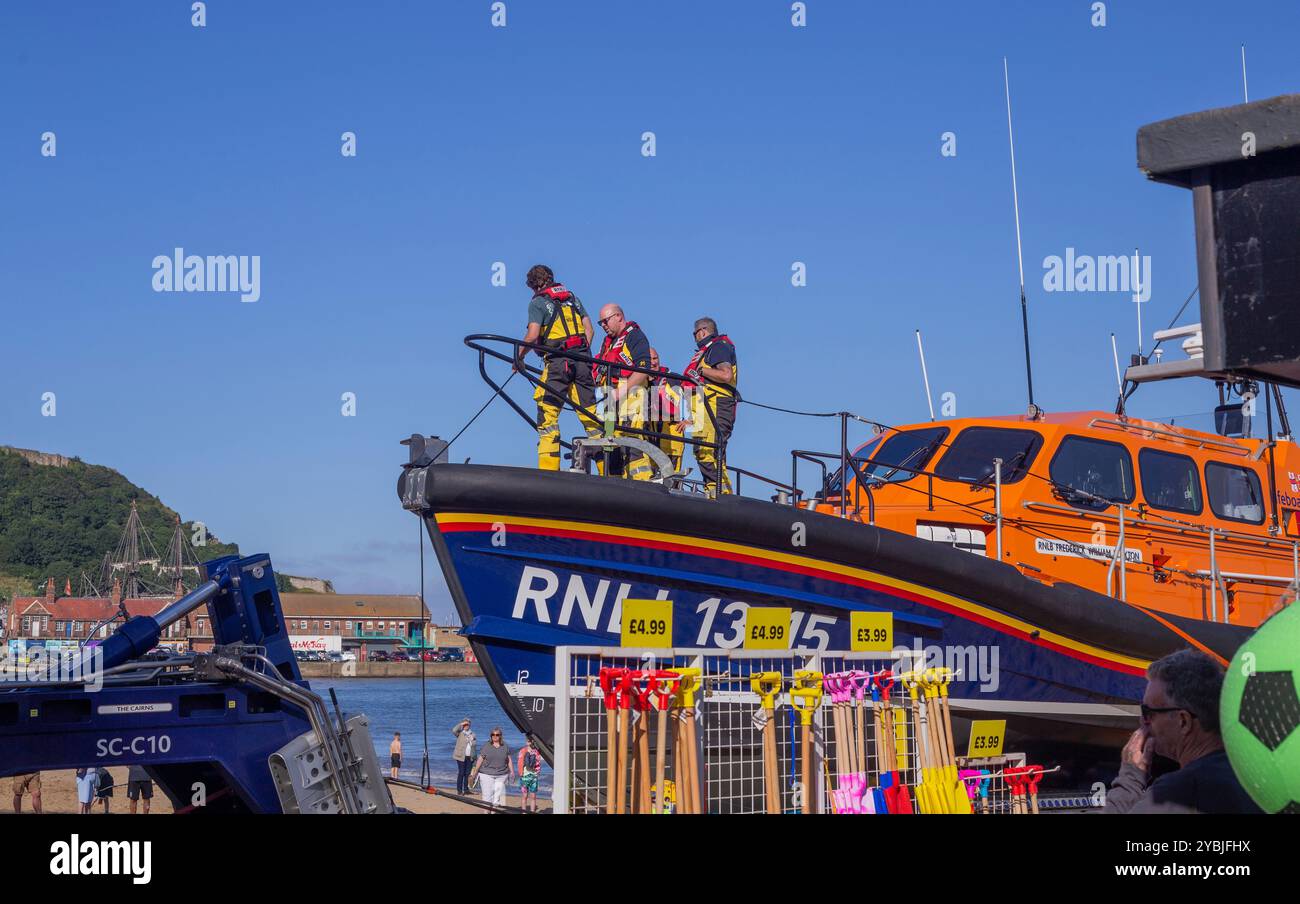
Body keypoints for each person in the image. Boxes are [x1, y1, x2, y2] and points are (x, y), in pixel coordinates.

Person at [1103, 648, 1263, 814]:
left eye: (1149, 713)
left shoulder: (1177, 794)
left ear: (1183, 721)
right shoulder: (1256, 778)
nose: (1143, 721)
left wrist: (1130, 779)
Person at [516, 264, 602, 471]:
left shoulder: (538, 303)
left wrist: (517, 358)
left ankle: (548, 472)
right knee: (591, 417)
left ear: (533, 285)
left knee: (548, 416)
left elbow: (533, 335)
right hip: (582, 362)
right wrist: (580, 354)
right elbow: (589, 330)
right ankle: (609, 472)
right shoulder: (572, 299)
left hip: (557, 363)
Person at [593, 304, 655, 481]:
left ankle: (644, 486)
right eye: (600, 323)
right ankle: (612, 486)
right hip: (609, 402)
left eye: (605, 321)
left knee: (632, 444)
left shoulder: (635, 336)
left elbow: (643, 371)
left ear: (619, 316)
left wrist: (620, 392)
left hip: (630, 396)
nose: (603, 325)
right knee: (610, 446)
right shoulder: (608, 342)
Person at [683, 317, 738, 497]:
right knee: (702, 450)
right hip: (704, 408)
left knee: (710, 450)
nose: (694, 337)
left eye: (694, 333)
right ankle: (713, 490)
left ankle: (722, 495)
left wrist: (702, 371)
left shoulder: (717, 347)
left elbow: (726, 375)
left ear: (703, 331)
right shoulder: (708, 350)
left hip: (716, 405)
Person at [649, 347, 686, 473]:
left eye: (655, 358)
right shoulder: (639, 379)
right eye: (650, 359)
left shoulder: (673, 378)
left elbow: (698, 395)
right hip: (649, 437)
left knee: (670, 481)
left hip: (672, 438)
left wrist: (690, 420)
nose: (654, 362)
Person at [473, 728, 515, 810]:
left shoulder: (505, 746)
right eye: (493, 735)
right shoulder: (487, 745)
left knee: (498, 796)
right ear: (491, 736)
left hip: (502, 774)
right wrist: (475, 772)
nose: (495, 736)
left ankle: (494, 811)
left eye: (497, 735)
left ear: (500, 736)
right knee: (487, 796)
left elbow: (509, 759)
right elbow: (480, 759)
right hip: (486, 774)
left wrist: (512, 771)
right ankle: (486, 811)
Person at [516, 736, 544, 813]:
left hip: (534, 776)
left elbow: (538, 762)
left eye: (532, 741)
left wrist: (538, 772)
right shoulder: (523, 750)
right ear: (526, 742)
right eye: (529, 741)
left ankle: (532, 811)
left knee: (533, 796)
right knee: (524, 796)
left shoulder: (536, 751)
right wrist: (520, 772)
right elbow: (520, 762)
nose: (530, 743)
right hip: (524, 776)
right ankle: (524, 811)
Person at [452, 718, 477, 795]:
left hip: (470, 757)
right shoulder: (460, 733)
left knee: (467, 773)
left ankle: (466, 790)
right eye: (465, 724)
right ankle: (459, 791)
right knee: (461, 773)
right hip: (460, 756)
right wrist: (461, 724)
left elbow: (474, 746)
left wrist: (471, 740)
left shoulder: (473, 734)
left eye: (468, 724)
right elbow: (454, 730)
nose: (466, 725)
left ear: (470, 725)